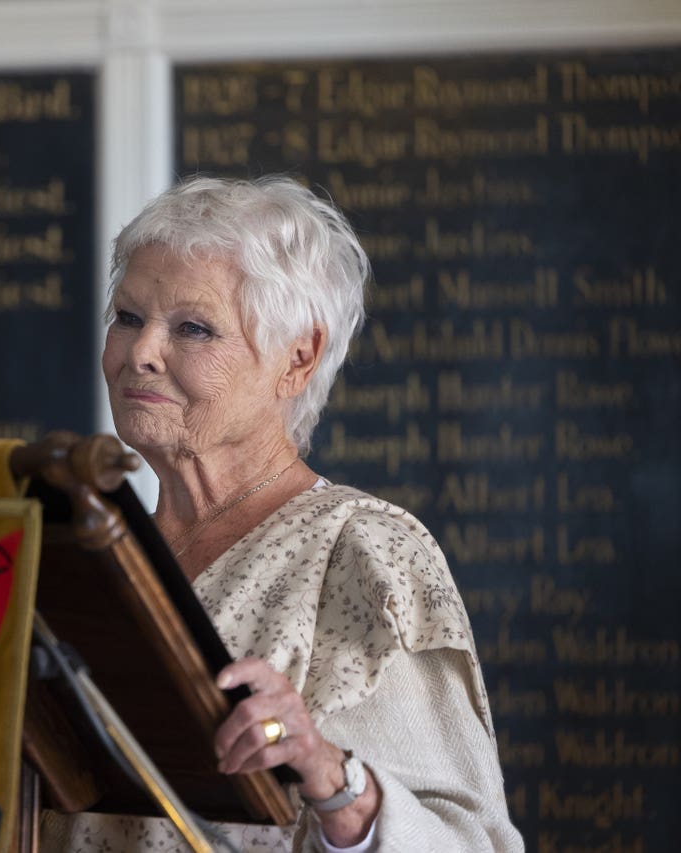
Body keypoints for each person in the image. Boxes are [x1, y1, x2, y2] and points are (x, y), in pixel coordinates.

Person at [41, 176, 522, 852]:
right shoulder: (93, 551)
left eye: (192, 328)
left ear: (297, 358)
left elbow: (469, 841)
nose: (140, 353)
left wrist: (334, 782)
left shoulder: (365, 547)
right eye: (127, 317)